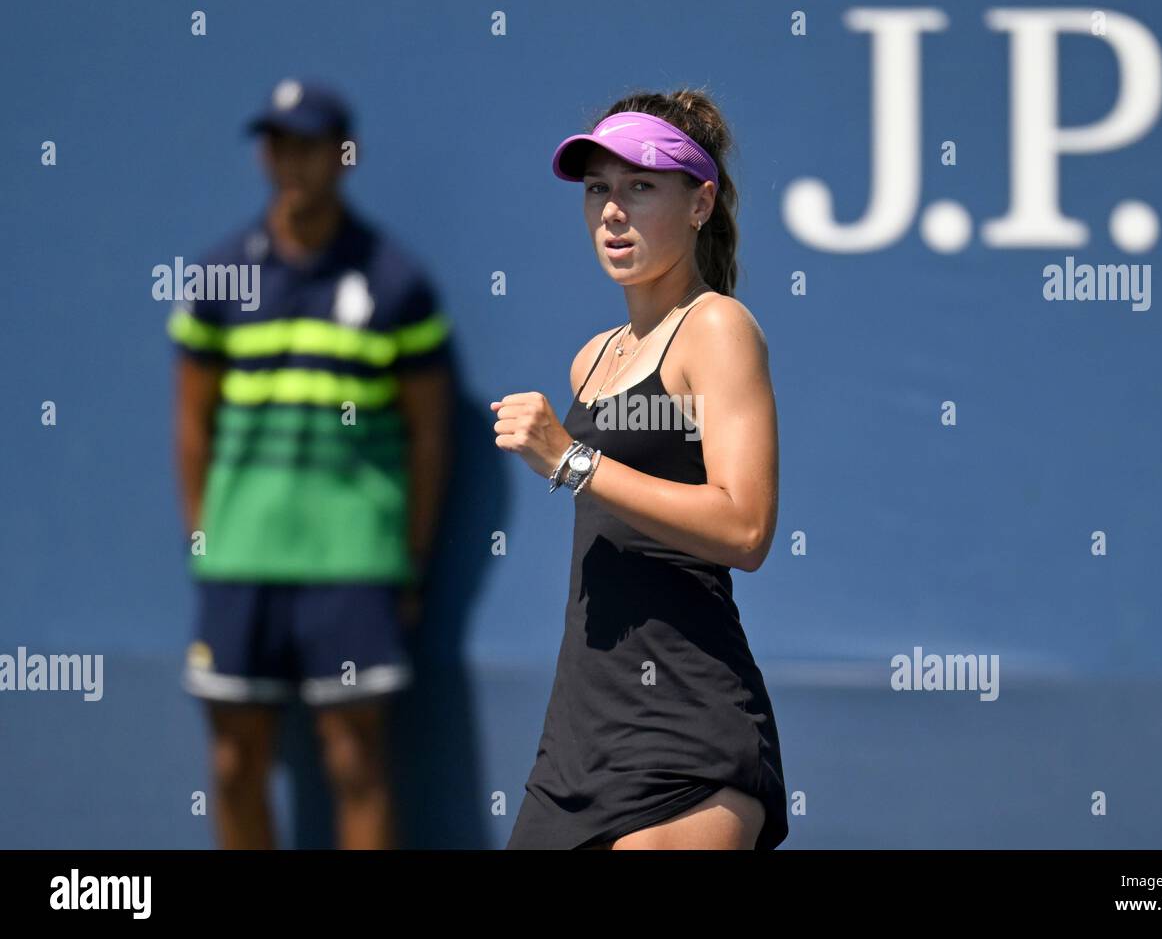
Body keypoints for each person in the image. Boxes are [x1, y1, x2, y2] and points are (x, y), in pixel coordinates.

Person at [493, 89, 787, 849]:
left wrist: (570, 458)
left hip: (685, 737)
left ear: (700, 204)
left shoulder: (717, 327)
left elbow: (747, 527)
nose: (612, 213)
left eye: (641, 187)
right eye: (598, 190)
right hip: (577, 745)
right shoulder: (591, 360)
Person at [168, 79, 453, 848]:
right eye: (278, 143)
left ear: (343, 156)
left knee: (355, 759)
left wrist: (410, 563)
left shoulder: (397, 282)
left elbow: (430, 439)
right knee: (233, 761)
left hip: (353, 562)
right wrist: (211, 541)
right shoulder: (219, 277)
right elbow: (193, 426)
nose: (291, 160)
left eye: (309, 144)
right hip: (241, 563)